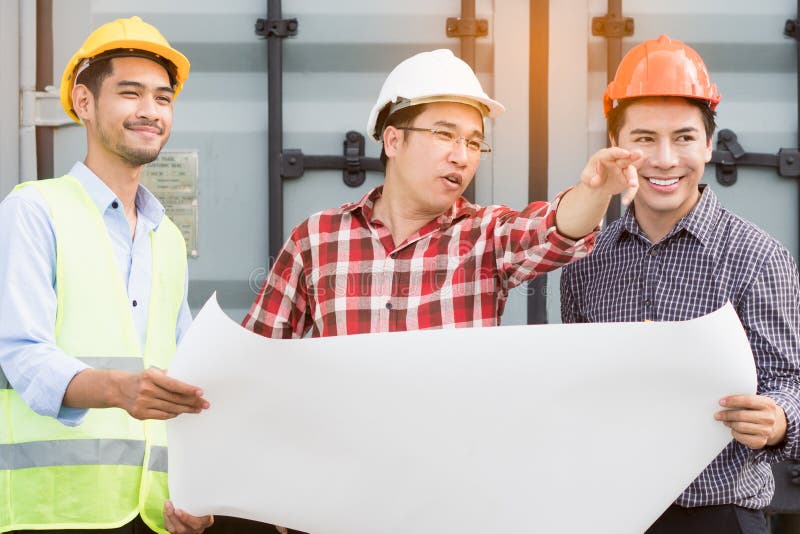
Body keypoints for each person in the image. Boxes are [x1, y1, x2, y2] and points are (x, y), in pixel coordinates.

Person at [560, 35, 800, 534]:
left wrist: (778, 419)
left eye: (685, 138)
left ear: (709, 144)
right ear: (615, 145)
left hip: (720, 518)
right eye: (644, 138)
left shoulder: (757, 258)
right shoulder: (585, 260)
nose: (665, 159)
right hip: (606, 513)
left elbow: (791, 383)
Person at [242, 48, 640, 340]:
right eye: (444, 135)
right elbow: (254, 356)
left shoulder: (484, 237)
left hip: (455, 455)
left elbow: (553, 231)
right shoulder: (318, 239)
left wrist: (597, 190)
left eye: (473, 143)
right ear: (393, 141)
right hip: (345, 455)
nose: (462, 157)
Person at [0, 16, 214, 534]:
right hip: (55, 512)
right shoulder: (34, 210)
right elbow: (19, 353)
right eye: (131, 93)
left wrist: (200, 487)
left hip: (154, 512)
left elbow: (189, 379)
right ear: (85, 102)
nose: (151, 111)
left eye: (163, 98)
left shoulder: (167, 237)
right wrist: (119, 389)